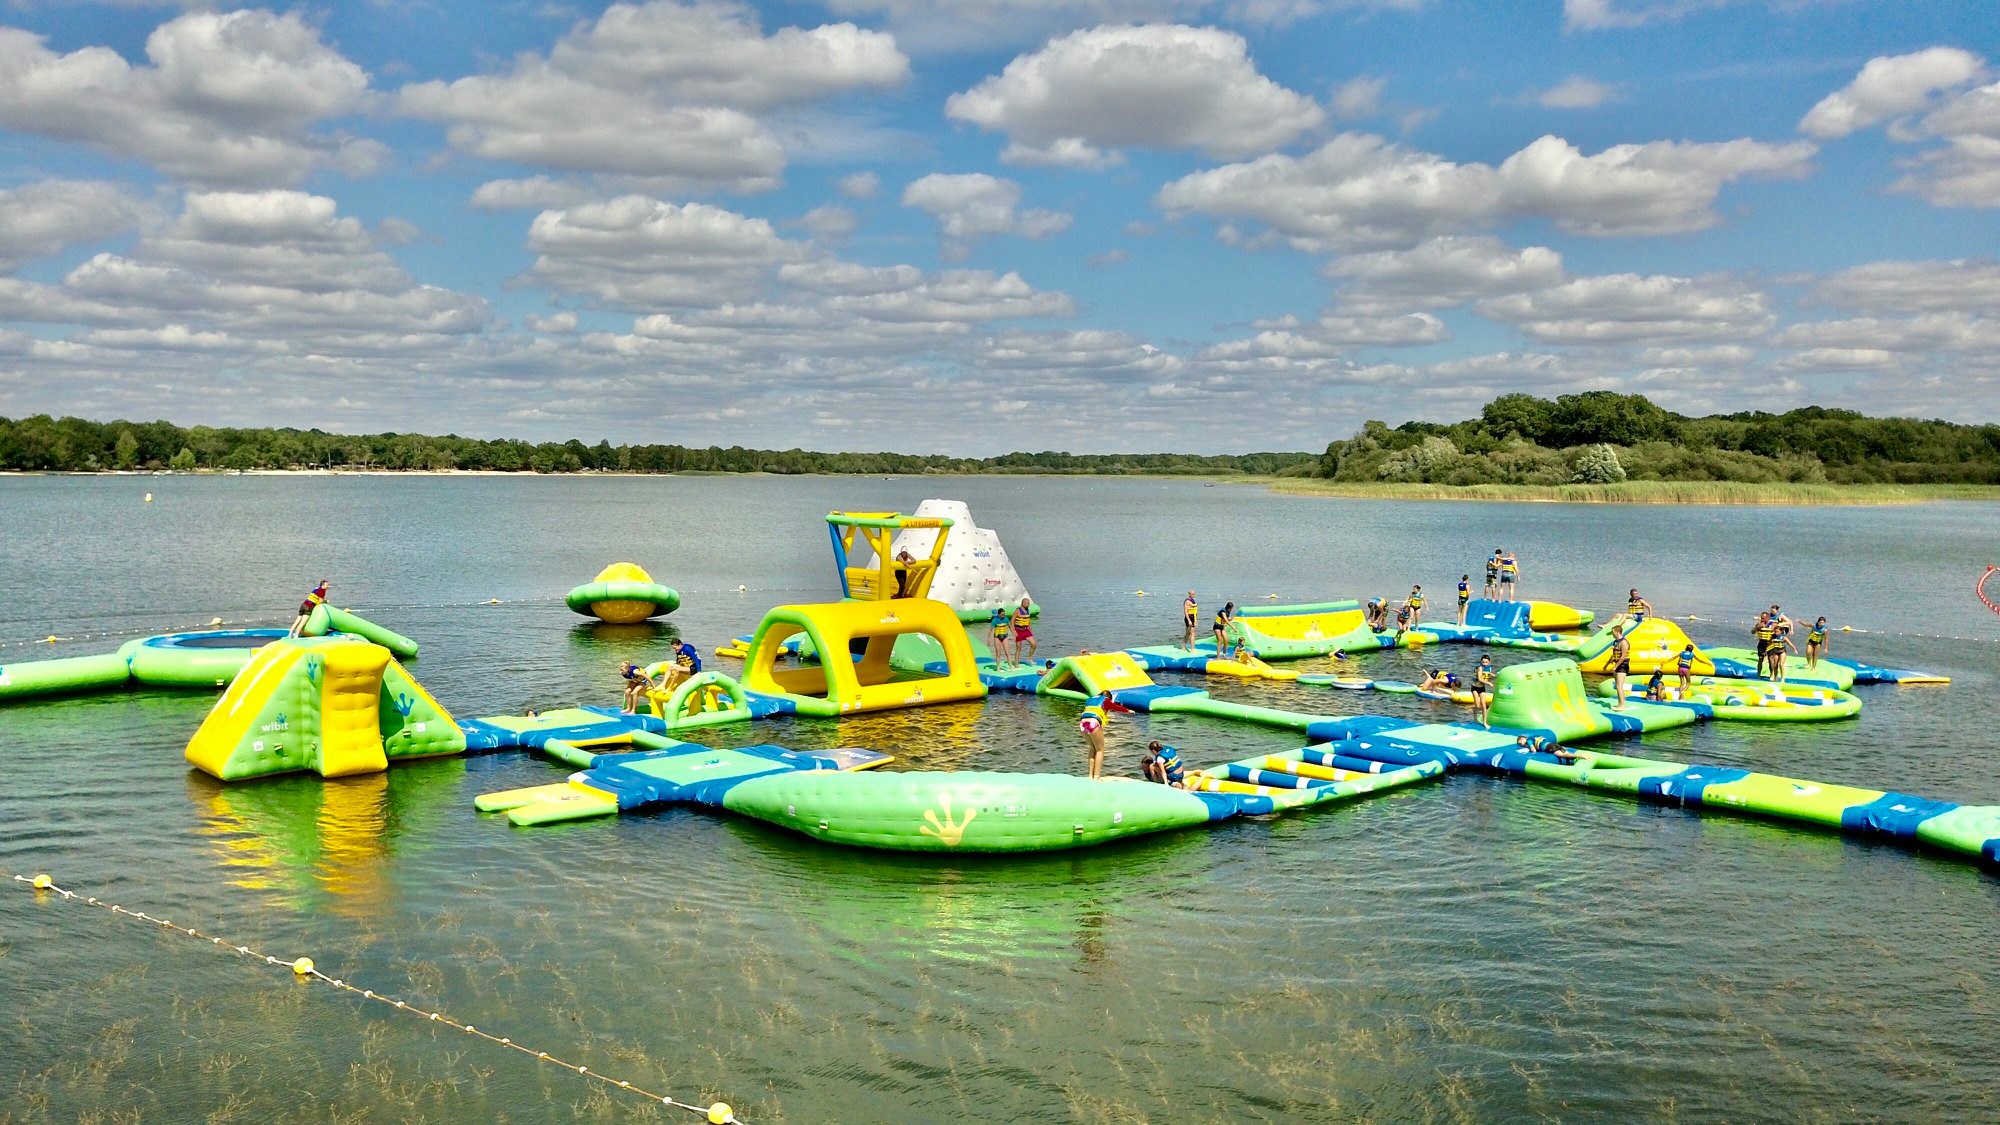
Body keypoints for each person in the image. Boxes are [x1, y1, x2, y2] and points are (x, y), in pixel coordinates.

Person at [1079, 694, 1112, 780]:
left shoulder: (1089, 700)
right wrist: (1128, 711)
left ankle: (1090, 776)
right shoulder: (1106, 700)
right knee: (1100, 750)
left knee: (1092, 748)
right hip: (1093, 722)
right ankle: (1097, 776)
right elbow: (1117, 707)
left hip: (1083, 723)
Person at [1607, 624, 1631, 710]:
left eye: (1613, 632)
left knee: (1619, 686)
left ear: (1617, 632)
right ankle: (1619, 703)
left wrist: (1615, 666)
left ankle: (1622, 705)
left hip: (1622, 665)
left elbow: (1623, 656)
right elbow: (1615, 654)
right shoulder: (1616, 642)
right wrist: (1609, 662)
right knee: (1617, 685)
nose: (1612, 634)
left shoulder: (1624, 642)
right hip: (1617, 664)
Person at [1752, 610, 1778, 680]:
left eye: (1763, 618)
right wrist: (1756, 628)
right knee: (1760, 659)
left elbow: (1778, 632)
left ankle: (1772, 674)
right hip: (1762, 643)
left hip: (1770, 644)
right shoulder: (1759, 624)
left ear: (1767, 618)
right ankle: (1758, 674)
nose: (1762, 619)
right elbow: (1752, 632)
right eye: (1761, 618)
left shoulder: (1773, 625)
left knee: (1770, 659)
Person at [1471, 655, 1496, 727]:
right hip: (1475, 688)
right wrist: (1489, 683)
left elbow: (1489, 675)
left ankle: (1485, 722)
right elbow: (1480, 679)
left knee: (1484, 705)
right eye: (1483, 662)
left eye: (1486, 662)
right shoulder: (1480, 668)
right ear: (1481, 661)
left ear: (1489, 662)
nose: (1484, 664)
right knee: (1478, 705)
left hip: (1482, 688)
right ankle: (1475, 718)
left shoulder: (1489, 668)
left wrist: (1495, 676)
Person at [1011, 597, 1037, 664]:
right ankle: (1016, 663)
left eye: (1029, 603)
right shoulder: (1018, 610)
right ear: (1023, 603)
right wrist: (1014, 631)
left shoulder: (1028, 610)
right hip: (1018, 630)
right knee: (1019, 647)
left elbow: (1028, 622)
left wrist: (1031, 631)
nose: (1028, 604)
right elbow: (1012, 621)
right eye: (1027, 603)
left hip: (1026, 630)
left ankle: (1030, 658)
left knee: (1033, 644)